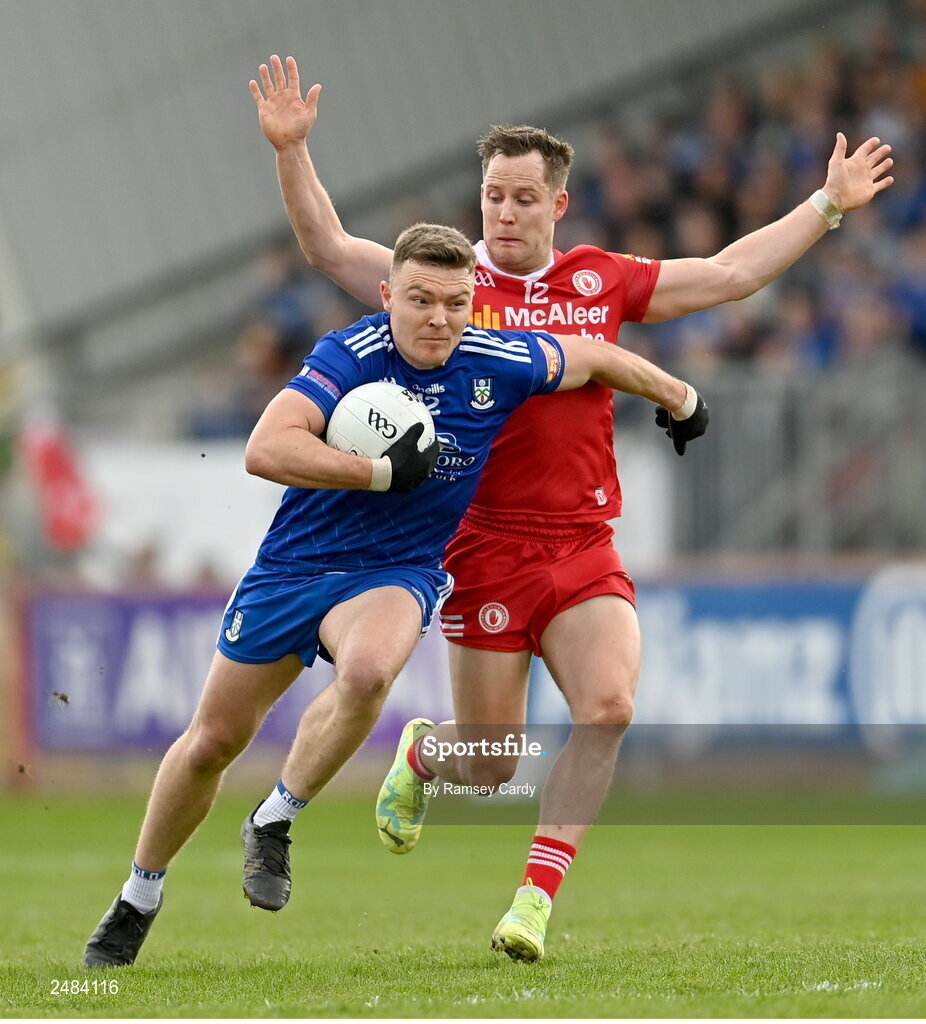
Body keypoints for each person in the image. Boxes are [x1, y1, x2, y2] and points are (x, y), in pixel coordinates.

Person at [249, 54, 893, 961]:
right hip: (478, 547)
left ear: (557, 204)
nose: (502, 214)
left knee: (610, 706)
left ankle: (534, 903)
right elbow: (326, 246)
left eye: (520, 198)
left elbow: (727, 274)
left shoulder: (600, 280)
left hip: (583, 543)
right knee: (490, 764)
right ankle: (427, 758)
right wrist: (291, 152)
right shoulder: (441, 287)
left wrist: (824, 207)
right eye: (491, 196)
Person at [82, 222, 707, 968]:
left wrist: (676, 393)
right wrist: (379, 472)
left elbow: (594, 355)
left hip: (397, 571)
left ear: (473, 305)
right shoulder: (349, 355)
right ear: (388, 297)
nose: (438, 318)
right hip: (295, 567)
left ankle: (276, 820)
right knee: (212, 741)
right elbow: (264, 448)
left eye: (454, 302)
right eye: (419, 300)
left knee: (373, 670)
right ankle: (138, 896)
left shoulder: (498, 360)